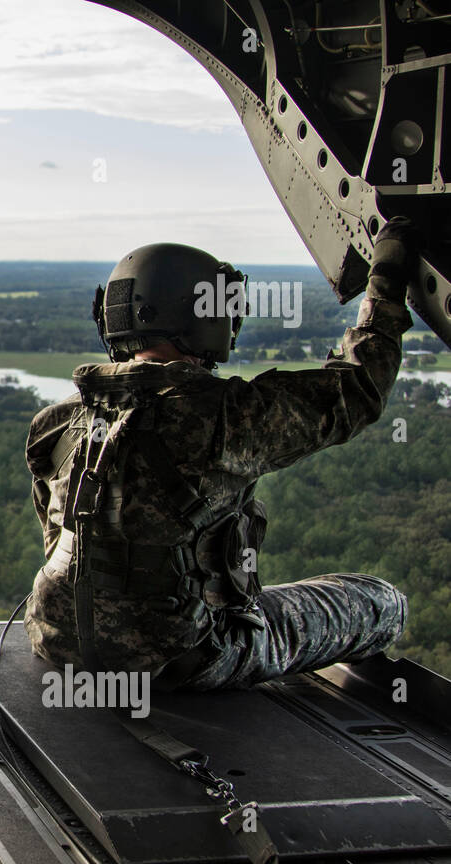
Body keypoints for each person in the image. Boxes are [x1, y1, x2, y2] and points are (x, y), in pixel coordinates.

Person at [24, 220, 421, 690]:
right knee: (379, 601)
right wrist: (386, 283)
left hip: (57, 641)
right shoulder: (225, 416)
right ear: (202, 316)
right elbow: (357, 390)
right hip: (178, 657)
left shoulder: (55, 423)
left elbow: (62, 540)